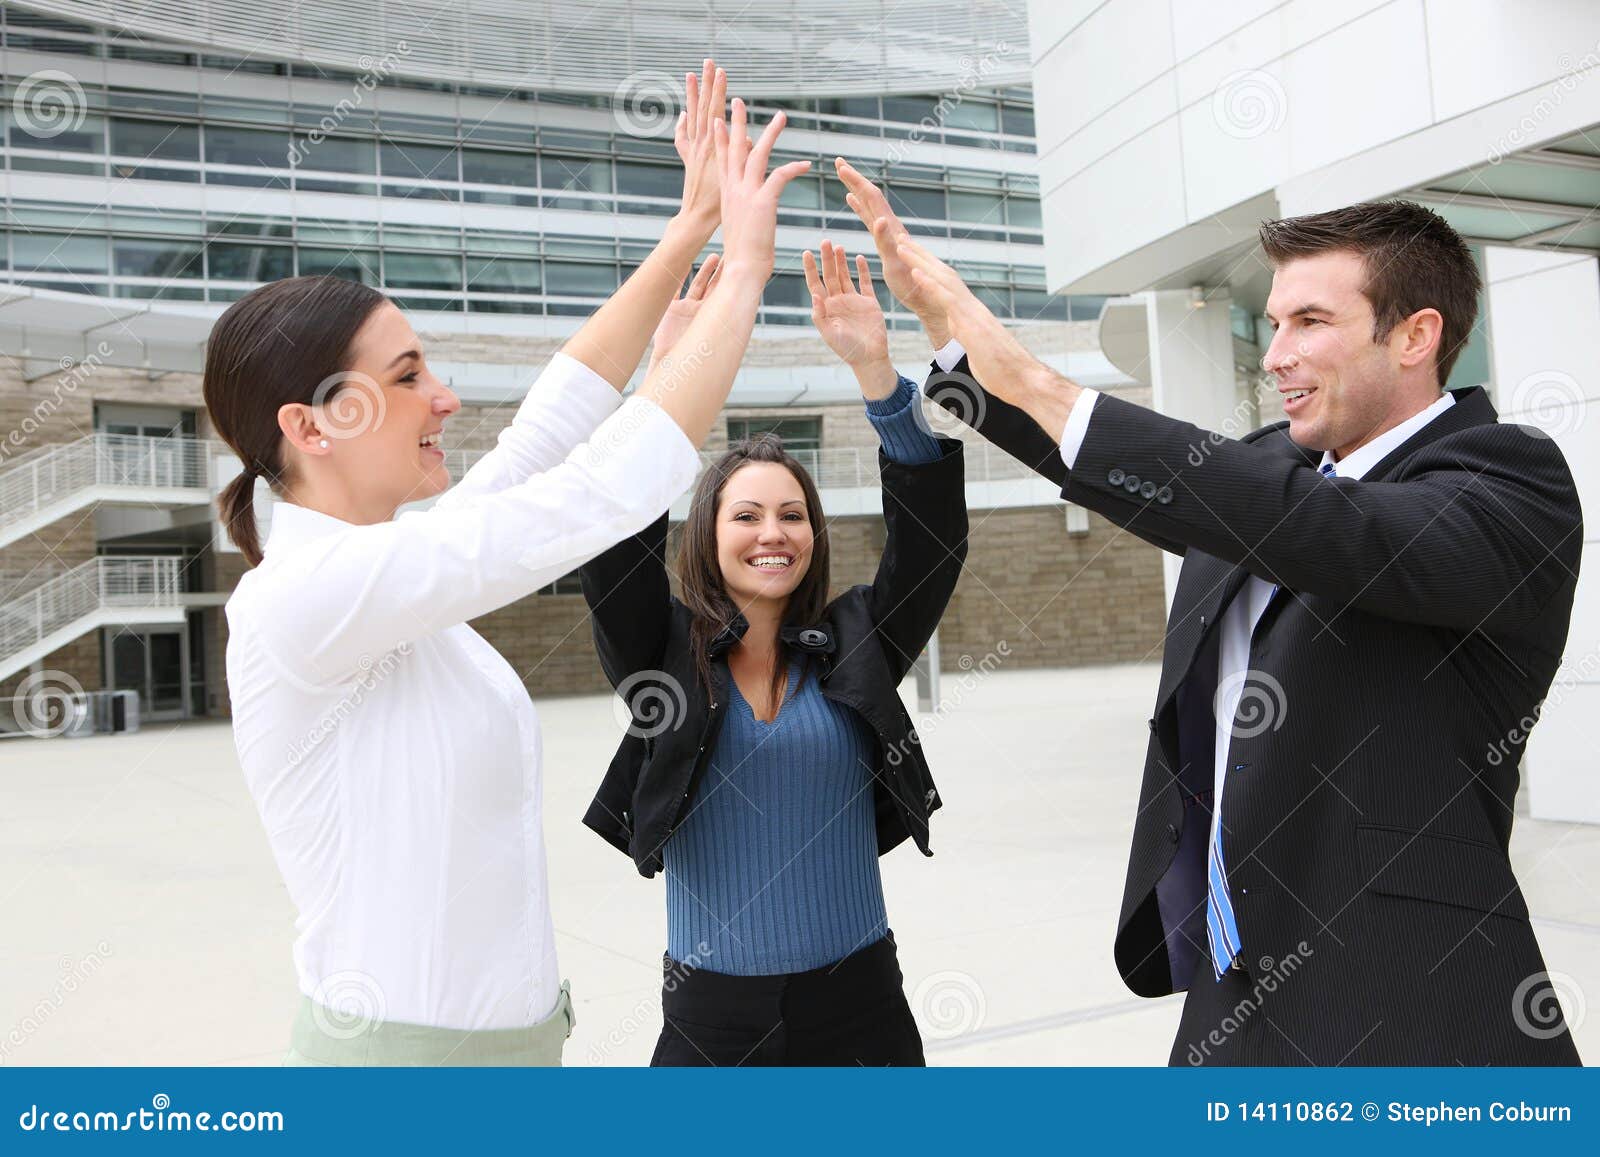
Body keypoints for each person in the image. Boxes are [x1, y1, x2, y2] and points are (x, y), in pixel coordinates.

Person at [839, 158, 1584, 1066]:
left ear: (1415, 336)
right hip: (1231, 984)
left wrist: (1034, 376)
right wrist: (952, 342)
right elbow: (1139, 477)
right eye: (1273, 325)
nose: (1275, 355)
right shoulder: (1276, 468)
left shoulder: (1510, 482)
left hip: (1406, 1000)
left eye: (1310, 322)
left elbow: (1331, 532)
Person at [211, 62, 813, 1066]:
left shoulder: (389, 579)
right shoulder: (306, 598)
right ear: (311, 425)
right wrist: (745, 274)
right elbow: (587, 495)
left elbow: (544, 433)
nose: (443, 397)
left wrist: (691, 228)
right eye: (408, 375)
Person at [578, 239, 969, 1066]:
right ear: (708, 533)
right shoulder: (663, 654)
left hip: (862, 1008)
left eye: (792, 515)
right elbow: (612, 551)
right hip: (713, 1020)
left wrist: (876, 372)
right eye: (747, 515)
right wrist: (665, 379)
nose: (773, 533)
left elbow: (933, 543)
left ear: (814, 534)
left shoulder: (857, 642)